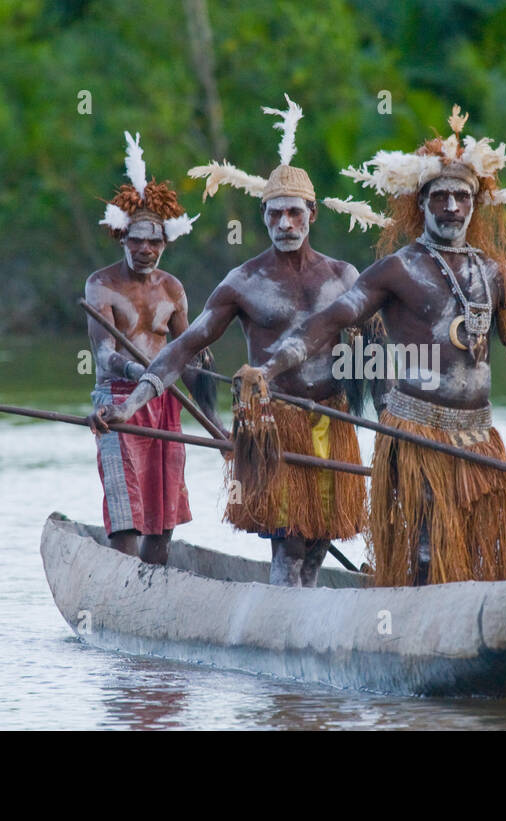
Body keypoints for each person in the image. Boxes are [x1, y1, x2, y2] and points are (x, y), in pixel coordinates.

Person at [239, 106, 506, 586]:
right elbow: (329, 322)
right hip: (415, 437)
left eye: (462, 196)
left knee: (477, 559)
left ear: (476, 204)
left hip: (480, 441)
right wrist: (267, 371)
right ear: (422, 203)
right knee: (422, 557)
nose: (452, 207)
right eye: (440, 197)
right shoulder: (397, 269)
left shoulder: (499, 276)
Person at [89, 97, 386, 587]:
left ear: (312, 213)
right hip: (273, 423)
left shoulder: (343, 277)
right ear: (262, 217)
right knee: (288, 539)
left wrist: (393, 422)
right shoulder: (243, 282)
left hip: (334, 422)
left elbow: (374, 358)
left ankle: (304, 622)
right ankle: (280, 623)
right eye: (274, 215)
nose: (285, 224)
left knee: (318, 542)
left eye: (294, 213)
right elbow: (183, 349)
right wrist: (132, 402)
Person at [85, 132, 217, 565]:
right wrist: (143, 374)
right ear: (122, 237)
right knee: (127, 518)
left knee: (162, 521)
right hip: (117, 405)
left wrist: (217, 425)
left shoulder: (173, 290)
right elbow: (104, 354)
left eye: (154, 242)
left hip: (165, 406)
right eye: (136, 240)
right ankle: (122, 588)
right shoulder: (101, 284)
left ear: (166, 243)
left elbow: (188, 359)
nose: (145, 249)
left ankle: (153, 594)